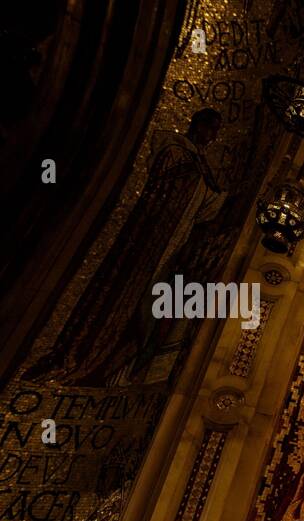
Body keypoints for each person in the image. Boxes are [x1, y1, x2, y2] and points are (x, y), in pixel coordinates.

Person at [25, 109, 224, 385]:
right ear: (197, 125)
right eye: (210, 128)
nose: (212, 136)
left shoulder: (200, 165)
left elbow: (206, 207)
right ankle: (79, 354)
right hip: (146, 238)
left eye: (216, 131)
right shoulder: (174, 149)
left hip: (170, 243)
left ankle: (119, 359)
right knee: (121, 289)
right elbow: (163, 181)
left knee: (147, 299)